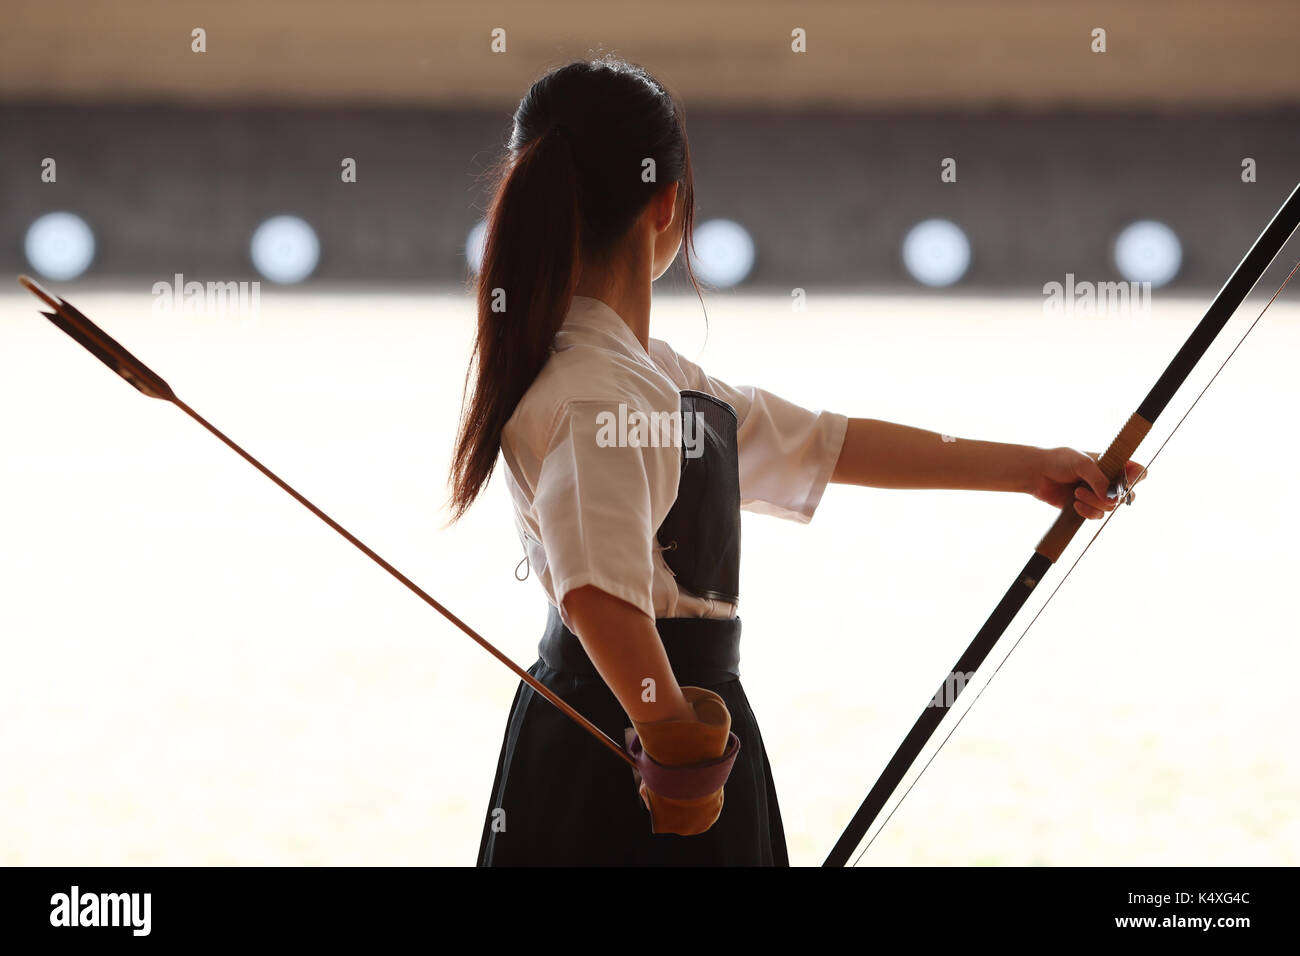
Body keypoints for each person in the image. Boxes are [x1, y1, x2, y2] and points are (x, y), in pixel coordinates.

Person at [447, 56, 1143, 866]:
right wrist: (674, 743)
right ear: (667, 204)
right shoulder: (601, 392)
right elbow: (597, 594)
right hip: (633, 751)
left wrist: (1030, 468)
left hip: (669, 729)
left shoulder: (651, 375)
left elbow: (825, 441)